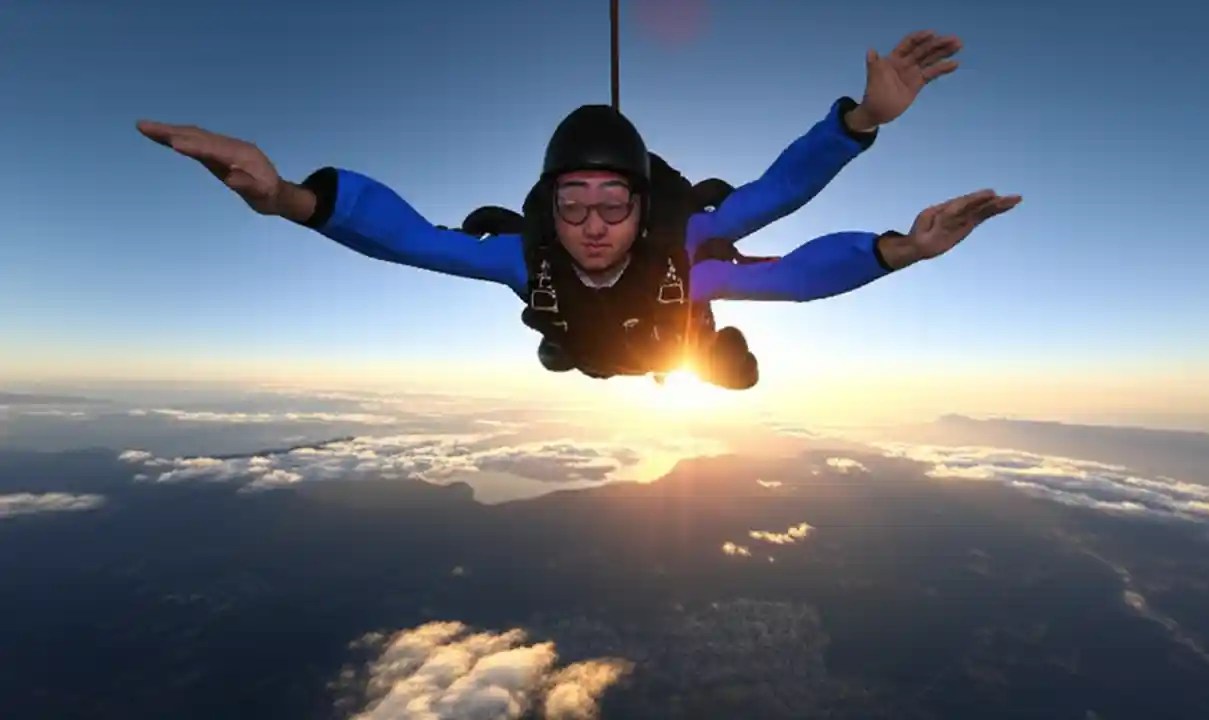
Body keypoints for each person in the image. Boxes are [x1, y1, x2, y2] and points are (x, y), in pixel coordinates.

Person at [137, 30, 1019, 389]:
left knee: (723, 369)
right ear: (549, 211)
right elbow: (409, 241)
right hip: (593, 344)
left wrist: (865, 133)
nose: (594, 224)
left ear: (643, 208)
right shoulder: (529, 258)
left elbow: (783, 238)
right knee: (571, 355)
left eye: (613, 203)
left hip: (670, 333)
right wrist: (285, 198)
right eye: (573, 204)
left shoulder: (685, 251)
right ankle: (588, 350)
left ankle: (708, 352)